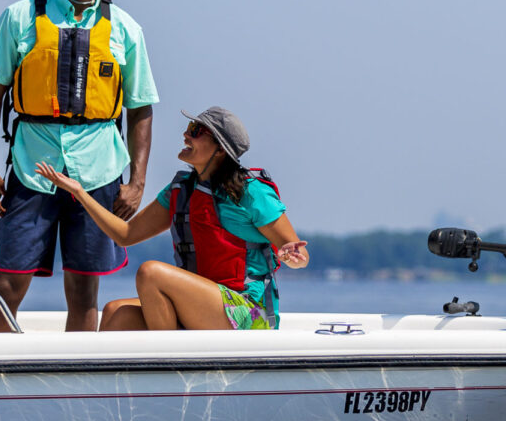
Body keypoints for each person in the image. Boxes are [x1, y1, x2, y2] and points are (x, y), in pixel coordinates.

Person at [0, 0, 157, 332]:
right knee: (9, 281)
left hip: (99, 169)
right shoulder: (20, 16)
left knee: (83, 288)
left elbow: (141, 108)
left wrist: (138, 181)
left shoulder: (126, 28)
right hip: (32, 165)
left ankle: (81, 386)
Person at [32, 106, 308, 331]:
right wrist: (79, 193)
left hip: (249, 314)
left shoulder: (252, 193)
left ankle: (173, 368)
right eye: (189, 129)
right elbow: (125, 235)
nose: (186, 135)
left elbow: (298, 254)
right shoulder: (182, 190)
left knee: (151, 272)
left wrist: (292, 257)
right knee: (116, 312)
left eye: (196, 132)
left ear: (220, 149)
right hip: (205, 304)